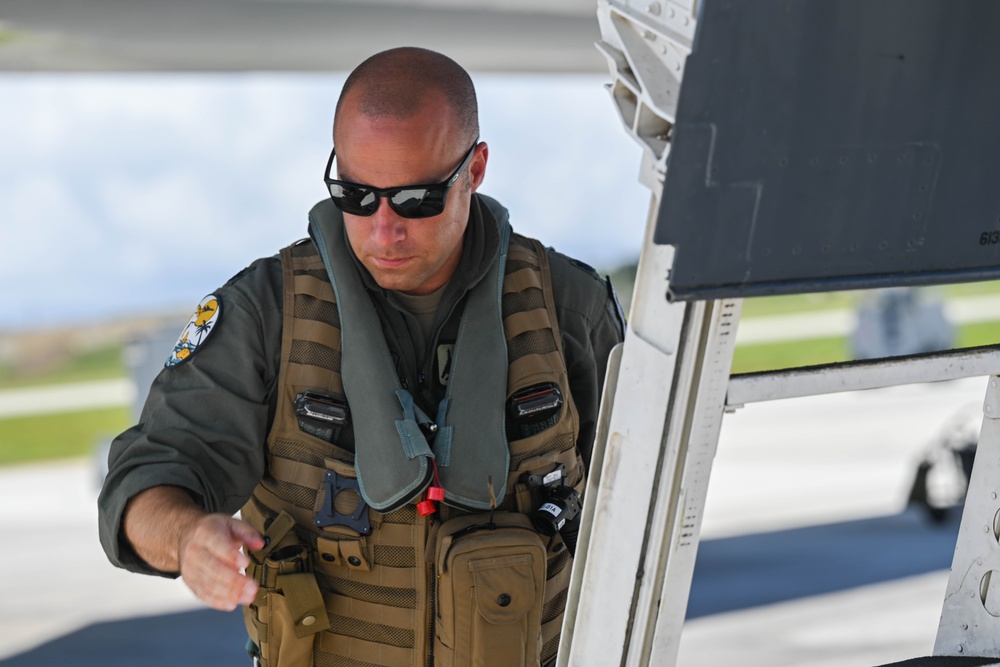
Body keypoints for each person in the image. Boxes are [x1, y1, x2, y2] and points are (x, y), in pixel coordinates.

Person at [99, 46, 624, 667]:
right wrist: (187, 537)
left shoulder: (568, 307)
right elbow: (145, 481)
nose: (383, 230)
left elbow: (638, 502)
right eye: (355, 194)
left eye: (416, 200)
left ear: (475, 170)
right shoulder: (268, 313)